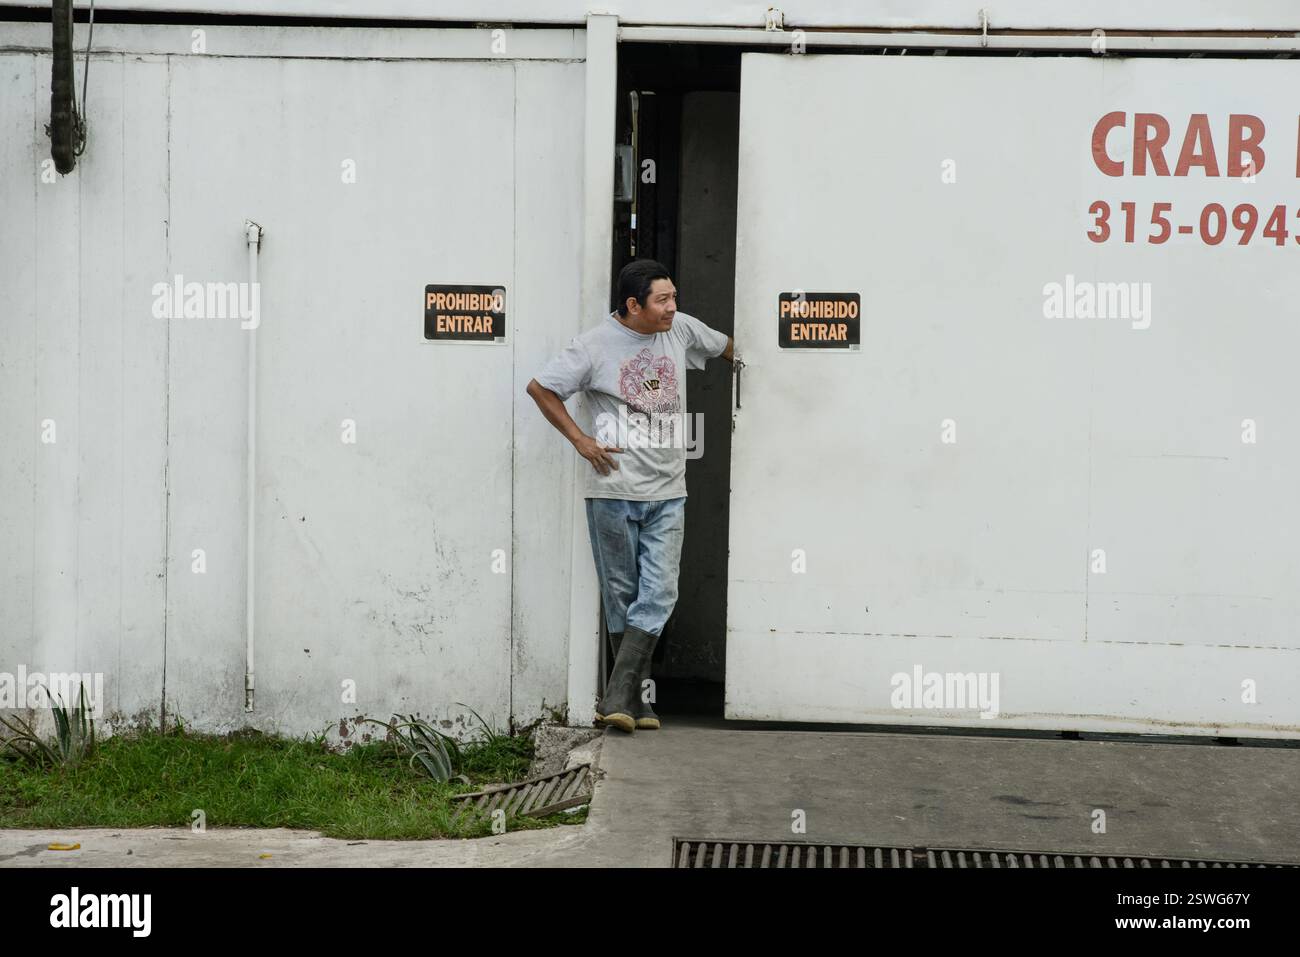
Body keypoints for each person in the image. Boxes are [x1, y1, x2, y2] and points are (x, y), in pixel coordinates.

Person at [525, 259, 735, 733]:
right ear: (632, 304)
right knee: (622, 592)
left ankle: (617, 693)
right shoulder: (593, 345)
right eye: (662, 300)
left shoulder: (679, 328)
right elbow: (541, 388)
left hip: (668, 488)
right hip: (614, 487)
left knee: (659, 590)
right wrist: (581, 440)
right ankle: (636, 699)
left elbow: (729, 348)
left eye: (674, 296)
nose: (672, 307)